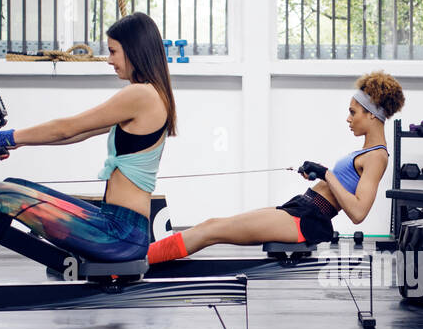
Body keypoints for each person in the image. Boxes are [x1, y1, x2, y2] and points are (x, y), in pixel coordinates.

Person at [0, 12, 175, 313]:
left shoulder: (140, 95)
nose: (109, 60)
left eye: (113, 51)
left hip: (118, 234)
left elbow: (66, 128)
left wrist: (2, 138)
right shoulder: (151, 96)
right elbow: (74, 135)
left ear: (134, 49)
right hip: (117, 227)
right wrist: (12, 142)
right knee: (8, 188)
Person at [146, 70, 404, 264]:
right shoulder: (365, 152)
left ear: (372, 114)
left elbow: (358, 213)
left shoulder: (377, 156)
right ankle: (145, 257)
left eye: (353, 112)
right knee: (212, 225)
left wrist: (326, 174)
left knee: (212, 229)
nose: (348, 118)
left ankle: (142, 260)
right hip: (301, 207)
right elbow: (338, 187)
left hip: (307, 219)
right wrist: (319, 175)